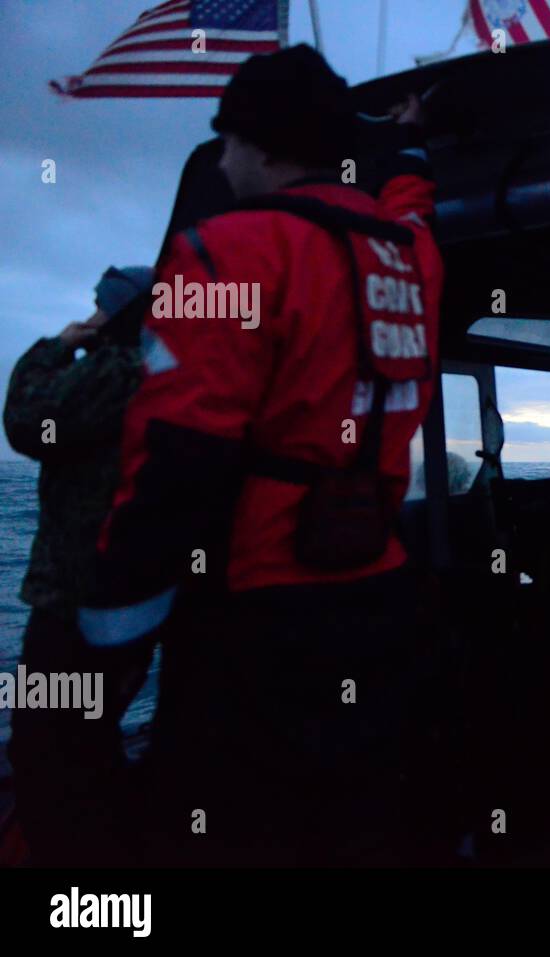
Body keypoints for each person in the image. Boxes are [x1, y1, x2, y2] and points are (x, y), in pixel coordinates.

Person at [78, 45, 444, 865]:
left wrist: (104, 651)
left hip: (257, 620)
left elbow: (176, 458)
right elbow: (416, 205)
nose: (225, 161)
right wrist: (410, 142)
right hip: (379, 602)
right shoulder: (411, 254)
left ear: (270, 147)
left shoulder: (223, 250)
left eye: (230, 142)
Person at [3, 266, 156, 865]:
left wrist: (60, 343)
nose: (89, 317)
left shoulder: (120, 374)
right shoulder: (161, 375)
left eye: (100, 309)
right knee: (91, 744)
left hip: (76, 605)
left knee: (43, 753)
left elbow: (25, 416)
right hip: (128, 603)